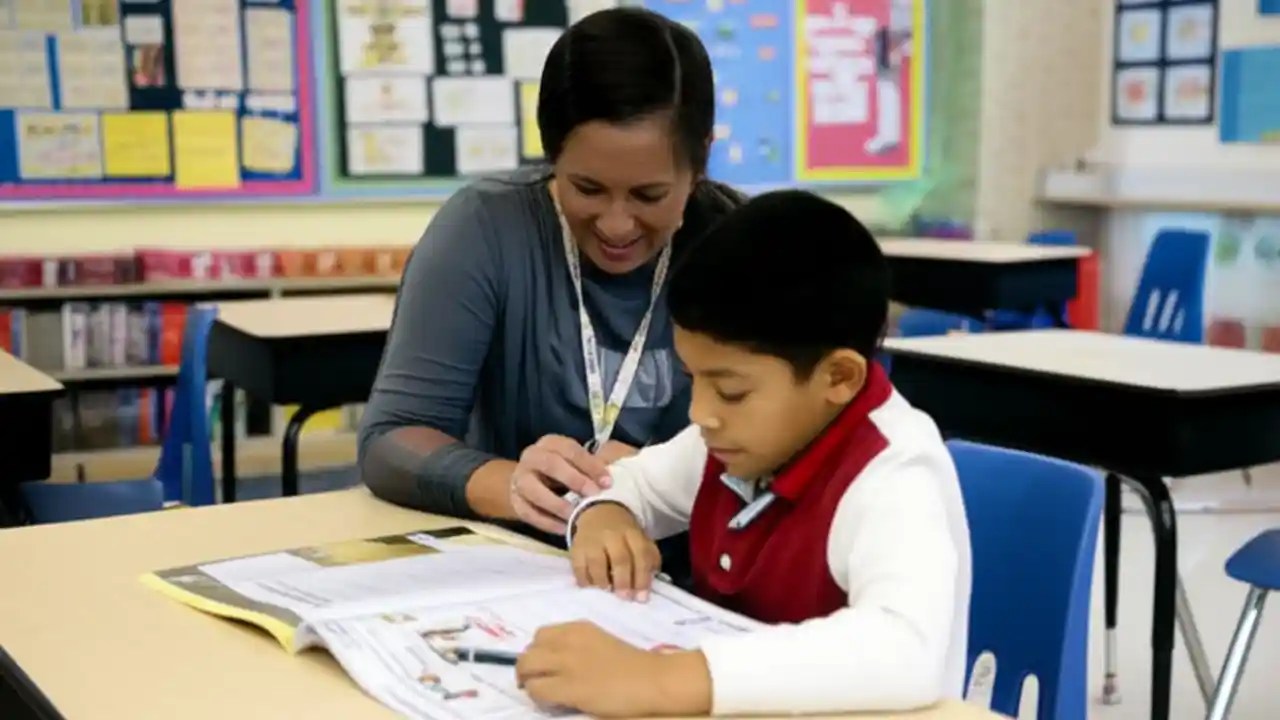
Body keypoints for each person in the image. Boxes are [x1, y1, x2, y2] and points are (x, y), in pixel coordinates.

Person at [513, 190, 972, 718]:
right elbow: (632, 484)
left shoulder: (893, 473)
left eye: (730, 391)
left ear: (838, 378)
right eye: (693, 382)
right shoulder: (739, 437)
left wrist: (662, 680)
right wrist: (603, 516)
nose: (700, 414)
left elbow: (904, 652)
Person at [357, 7, 744, 579]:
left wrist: (661, 486)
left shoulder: (745, 252)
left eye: (649, 194)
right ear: (551, 153)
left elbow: (808, 462)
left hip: (698, 584)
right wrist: (511, 485)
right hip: (524, 571)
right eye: (586, 187)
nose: (617, 225)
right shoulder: (486, 229)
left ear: (701, 160)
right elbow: (391, 439)